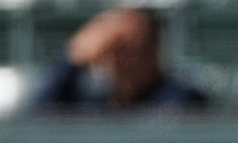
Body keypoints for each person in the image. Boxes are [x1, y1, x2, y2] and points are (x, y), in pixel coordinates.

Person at [33, 5, 207, 113]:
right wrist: (73, 56)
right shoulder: (95, 106)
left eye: (135, 46)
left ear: (155, 49)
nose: (126, 60)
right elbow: (35, 120)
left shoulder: (181, 100)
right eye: (117, 47)